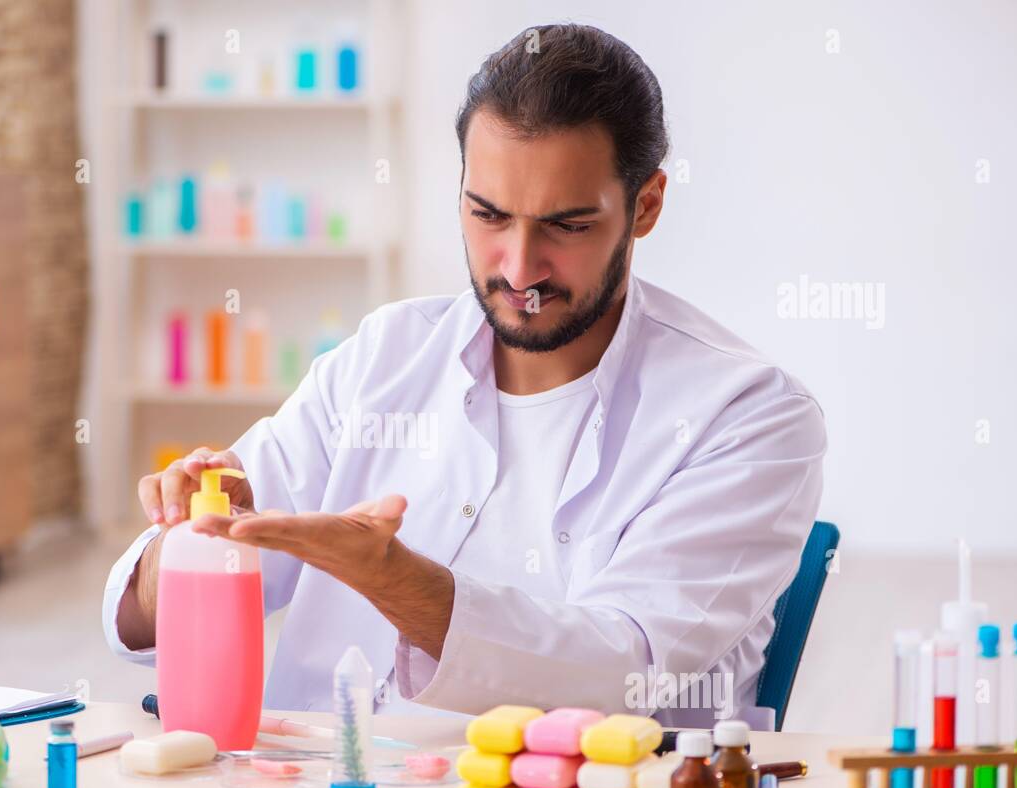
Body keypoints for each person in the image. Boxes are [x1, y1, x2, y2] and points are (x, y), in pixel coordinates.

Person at [103, 24, 825, 730]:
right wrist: (194, 542)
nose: (518, 267)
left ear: (646, 205)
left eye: (566, 226)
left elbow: (622, 670)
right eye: (488, 215)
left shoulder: (748, 415)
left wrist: (395, 580)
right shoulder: (385, 355)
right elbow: (141, 618)